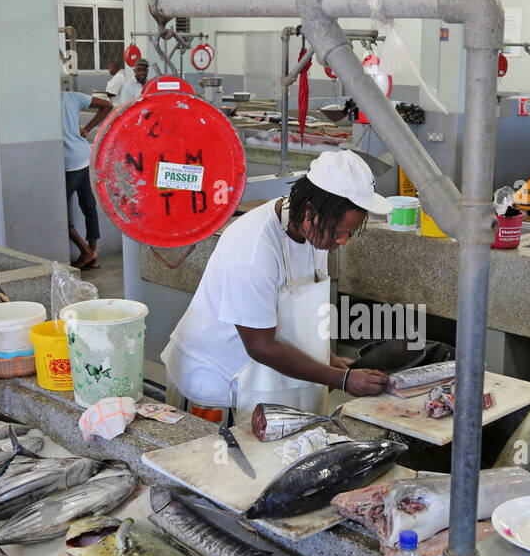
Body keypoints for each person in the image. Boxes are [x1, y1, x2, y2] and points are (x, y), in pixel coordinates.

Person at [161, 150, 392, 422]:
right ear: (310, 210)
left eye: (348, 233)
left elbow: (298, 315)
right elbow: (260, 346)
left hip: (266, 381)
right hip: (220, 387)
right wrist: (342, 379)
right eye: (338, 231)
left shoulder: (313, 234)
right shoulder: (254, 249)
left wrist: (328, 359)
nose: (342, 241)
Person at [61, 86, 113, 270]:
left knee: (59, 213)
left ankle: (86, 252)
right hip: (85, 157)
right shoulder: (73, 97)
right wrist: (88, 128)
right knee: (89, 207)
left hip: (68, 164)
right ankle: (93, 256)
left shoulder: (45, 103)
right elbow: (107, 105)